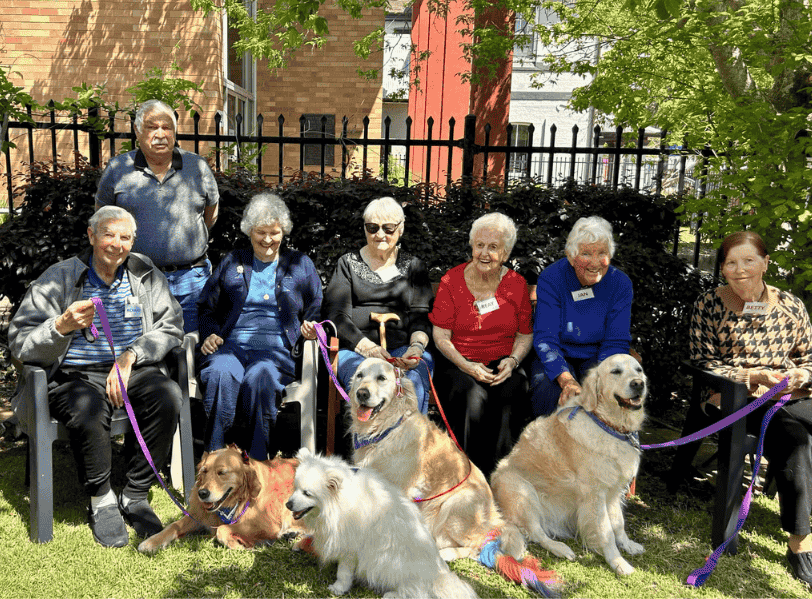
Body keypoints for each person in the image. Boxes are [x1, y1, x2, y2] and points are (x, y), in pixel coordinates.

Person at [8, 206, 184, 548]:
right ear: (91, 236)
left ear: (132, 242)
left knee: (168, 395)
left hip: (130, 368)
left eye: (124, 237)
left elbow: (171, 324)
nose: (116, 244)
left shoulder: (145, 273)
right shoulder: (59, 277)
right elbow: (20, 342)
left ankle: (134, 494)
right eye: (108, 234)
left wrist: (132, 354)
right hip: (74, 374)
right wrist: (60, 326)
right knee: (87, 408)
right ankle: (101, 498)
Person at [689, 231, 812, 586]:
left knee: (798, 434)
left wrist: (798, 374)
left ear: (765, 263)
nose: (740, 269)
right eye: (731, 262)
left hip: (790, 394)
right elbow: (703, 361)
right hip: (736, 399)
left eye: (749, 260)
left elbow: (808, 358)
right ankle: (800, 543)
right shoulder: (709, 303)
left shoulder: (790, 305)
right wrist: (751, 374)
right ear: (722, 268)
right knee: (797, 441)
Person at [196, 193, 322, 460]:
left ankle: (257, 459)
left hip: (277, 353)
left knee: (260, 378)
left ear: (283, 231)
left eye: (274, 232)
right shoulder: (233, 261)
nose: (267, 240)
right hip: (231, 346)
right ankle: (215, 456)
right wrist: (210, 334)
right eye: (260, 232)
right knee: (220, 371)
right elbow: (207, 306)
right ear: (249, 231)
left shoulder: (300, 264)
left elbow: (317, 307)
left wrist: (311, 327)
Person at [95, 99, 220, 333]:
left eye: (167, 127)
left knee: (192, 349)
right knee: (141, 347)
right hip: (136, 279)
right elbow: (103, 219)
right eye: (152, 127)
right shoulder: (117, 169)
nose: (161, 134)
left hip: (191, 280)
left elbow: (210, 214)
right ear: (138, 131)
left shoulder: (198, 167)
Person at [429, 212, 533, 475]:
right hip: (459, 361)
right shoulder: (451, 282)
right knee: (469, 397)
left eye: (493, 247)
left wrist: (513, 361)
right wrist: (466, 365)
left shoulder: (516, 285)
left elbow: (525, 334)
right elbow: (440, 336)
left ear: (506, 253)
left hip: (502, 362)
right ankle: (464, 475)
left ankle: (499, 477)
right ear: (472, 246)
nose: (484, 253)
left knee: (512, 390)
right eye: (479, 245)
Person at [322, 197, 434, 413]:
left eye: (388, 228)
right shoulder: (347, 264)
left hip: (403, 350)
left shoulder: (414, 266)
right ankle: (369, 443)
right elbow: (336, 315)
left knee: (411, 381)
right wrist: (368, 348)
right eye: (372, 227)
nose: (380, 234)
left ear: (400, 229)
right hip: (356, 350)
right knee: (365, 381)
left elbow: (421, 316)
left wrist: (415, 349)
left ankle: (408, 444)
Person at [529, 216, 633, 416]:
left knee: (612, 396)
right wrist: (566, 379)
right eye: (585, 253)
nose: (595, 263)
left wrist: (600, 380)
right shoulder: (553, 278)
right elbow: (546, 337)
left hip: (599, 356)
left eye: (602, 253)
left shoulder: (620, 284)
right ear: (571, 256)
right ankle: (550, 446)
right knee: (548, 391)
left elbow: (615, 341)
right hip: (556, 354)